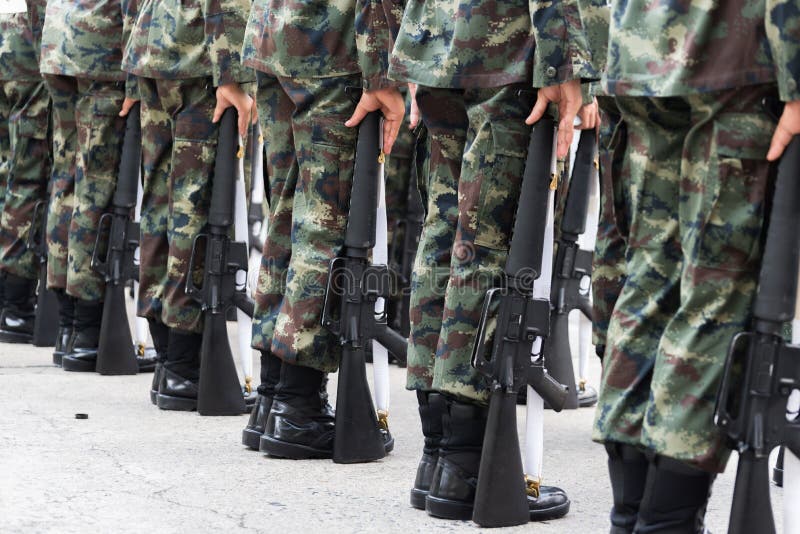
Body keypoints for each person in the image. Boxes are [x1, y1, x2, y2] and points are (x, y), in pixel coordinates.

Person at [588, 0, 800, 531]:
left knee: (649, 280)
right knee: (717, 292)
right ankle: (666, 522)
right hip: (735, 57)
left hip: (642, 52)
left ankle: (631, 517)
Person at [387, 0, 597, 522]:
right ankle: (467, 462)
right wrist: (565, 58)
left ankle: (439, 454)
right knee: (486, 241)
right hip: (508, 41)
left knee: (445, 234)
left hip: (439, 38)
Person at [239, 0, 405, 457]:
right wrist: (381, 70)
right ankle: (298, 405)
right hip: (333, 41)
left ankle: (273, 394)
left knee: (288, 215)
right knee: (324, 224)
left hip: (274, 31)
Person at [121, 0, 255, 410]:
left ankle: (171, 362)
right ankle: (184, 364)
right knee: (193, 207)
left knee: (162, 204)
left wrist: (131, 68)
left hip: (153, 43)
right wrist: (230, 70)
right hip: (198, 48)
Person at [37, 0, 154, 371]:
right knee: (95, 190)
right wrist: (136, 76)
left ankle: (69, 328)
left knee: (67, 181)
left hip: (61, 41)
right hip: (102, 53)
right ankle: (86, 331)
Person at [0, 0, 51, 345]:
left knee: (9, 171)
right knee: (27, 174)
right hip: (23, 33)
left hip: (10, 28)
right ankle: (14, 304)